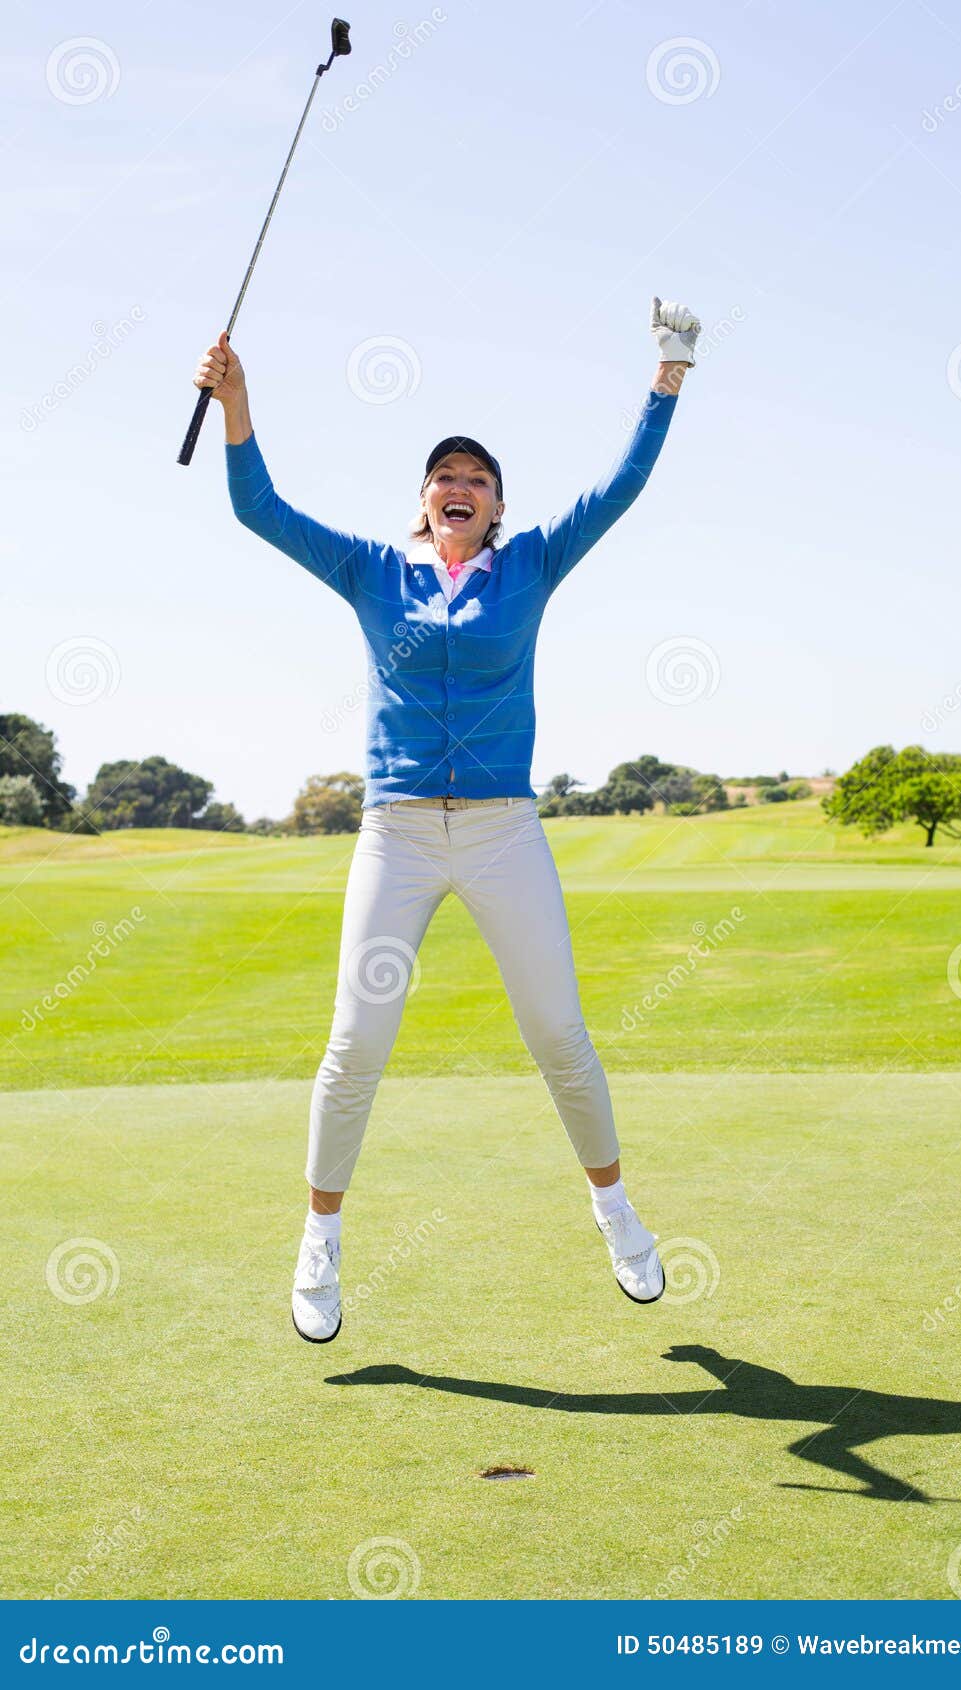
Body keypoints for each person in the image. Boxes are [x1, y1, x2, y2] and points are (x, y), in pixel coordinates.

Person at [192, 297, 701, 1342]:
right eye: (444, 475)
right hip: (399, 833)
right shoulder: (372, 569)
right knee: (354, 1043)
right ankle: (320, 1241)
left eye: (476, 477)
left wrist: (669, 371)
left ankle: (613, 1209)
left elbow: (621, 486)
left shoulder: (531, 564)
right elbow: (259, 511)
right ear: (422, 503)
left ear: (496, 507)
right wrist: (238, 403)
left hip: (505, 829)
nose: (457, 485)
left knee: (558, 1031)